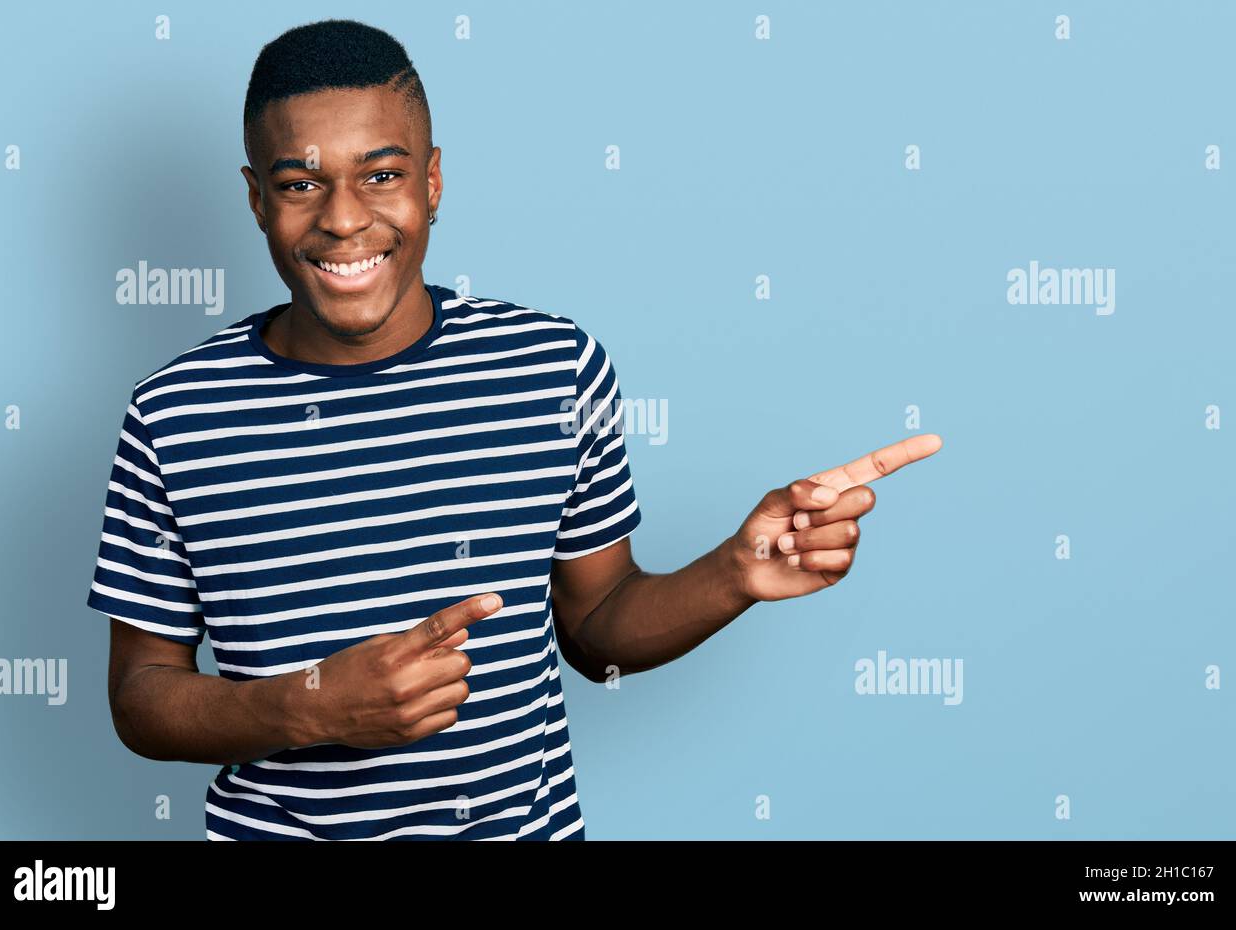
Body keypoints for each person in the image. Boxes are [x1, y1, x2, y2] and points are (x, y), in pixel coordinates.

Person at [86, 18, 942, 840]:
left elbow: (597, 625)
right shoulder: (173, 411)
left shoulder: (554, 367)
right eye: (301, 184)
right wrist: (310, 705)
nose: (343, 219)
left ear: (432, 182)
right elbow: (142, 696)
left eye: (381, 175)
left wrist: (732, 575)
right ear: (256, 198)